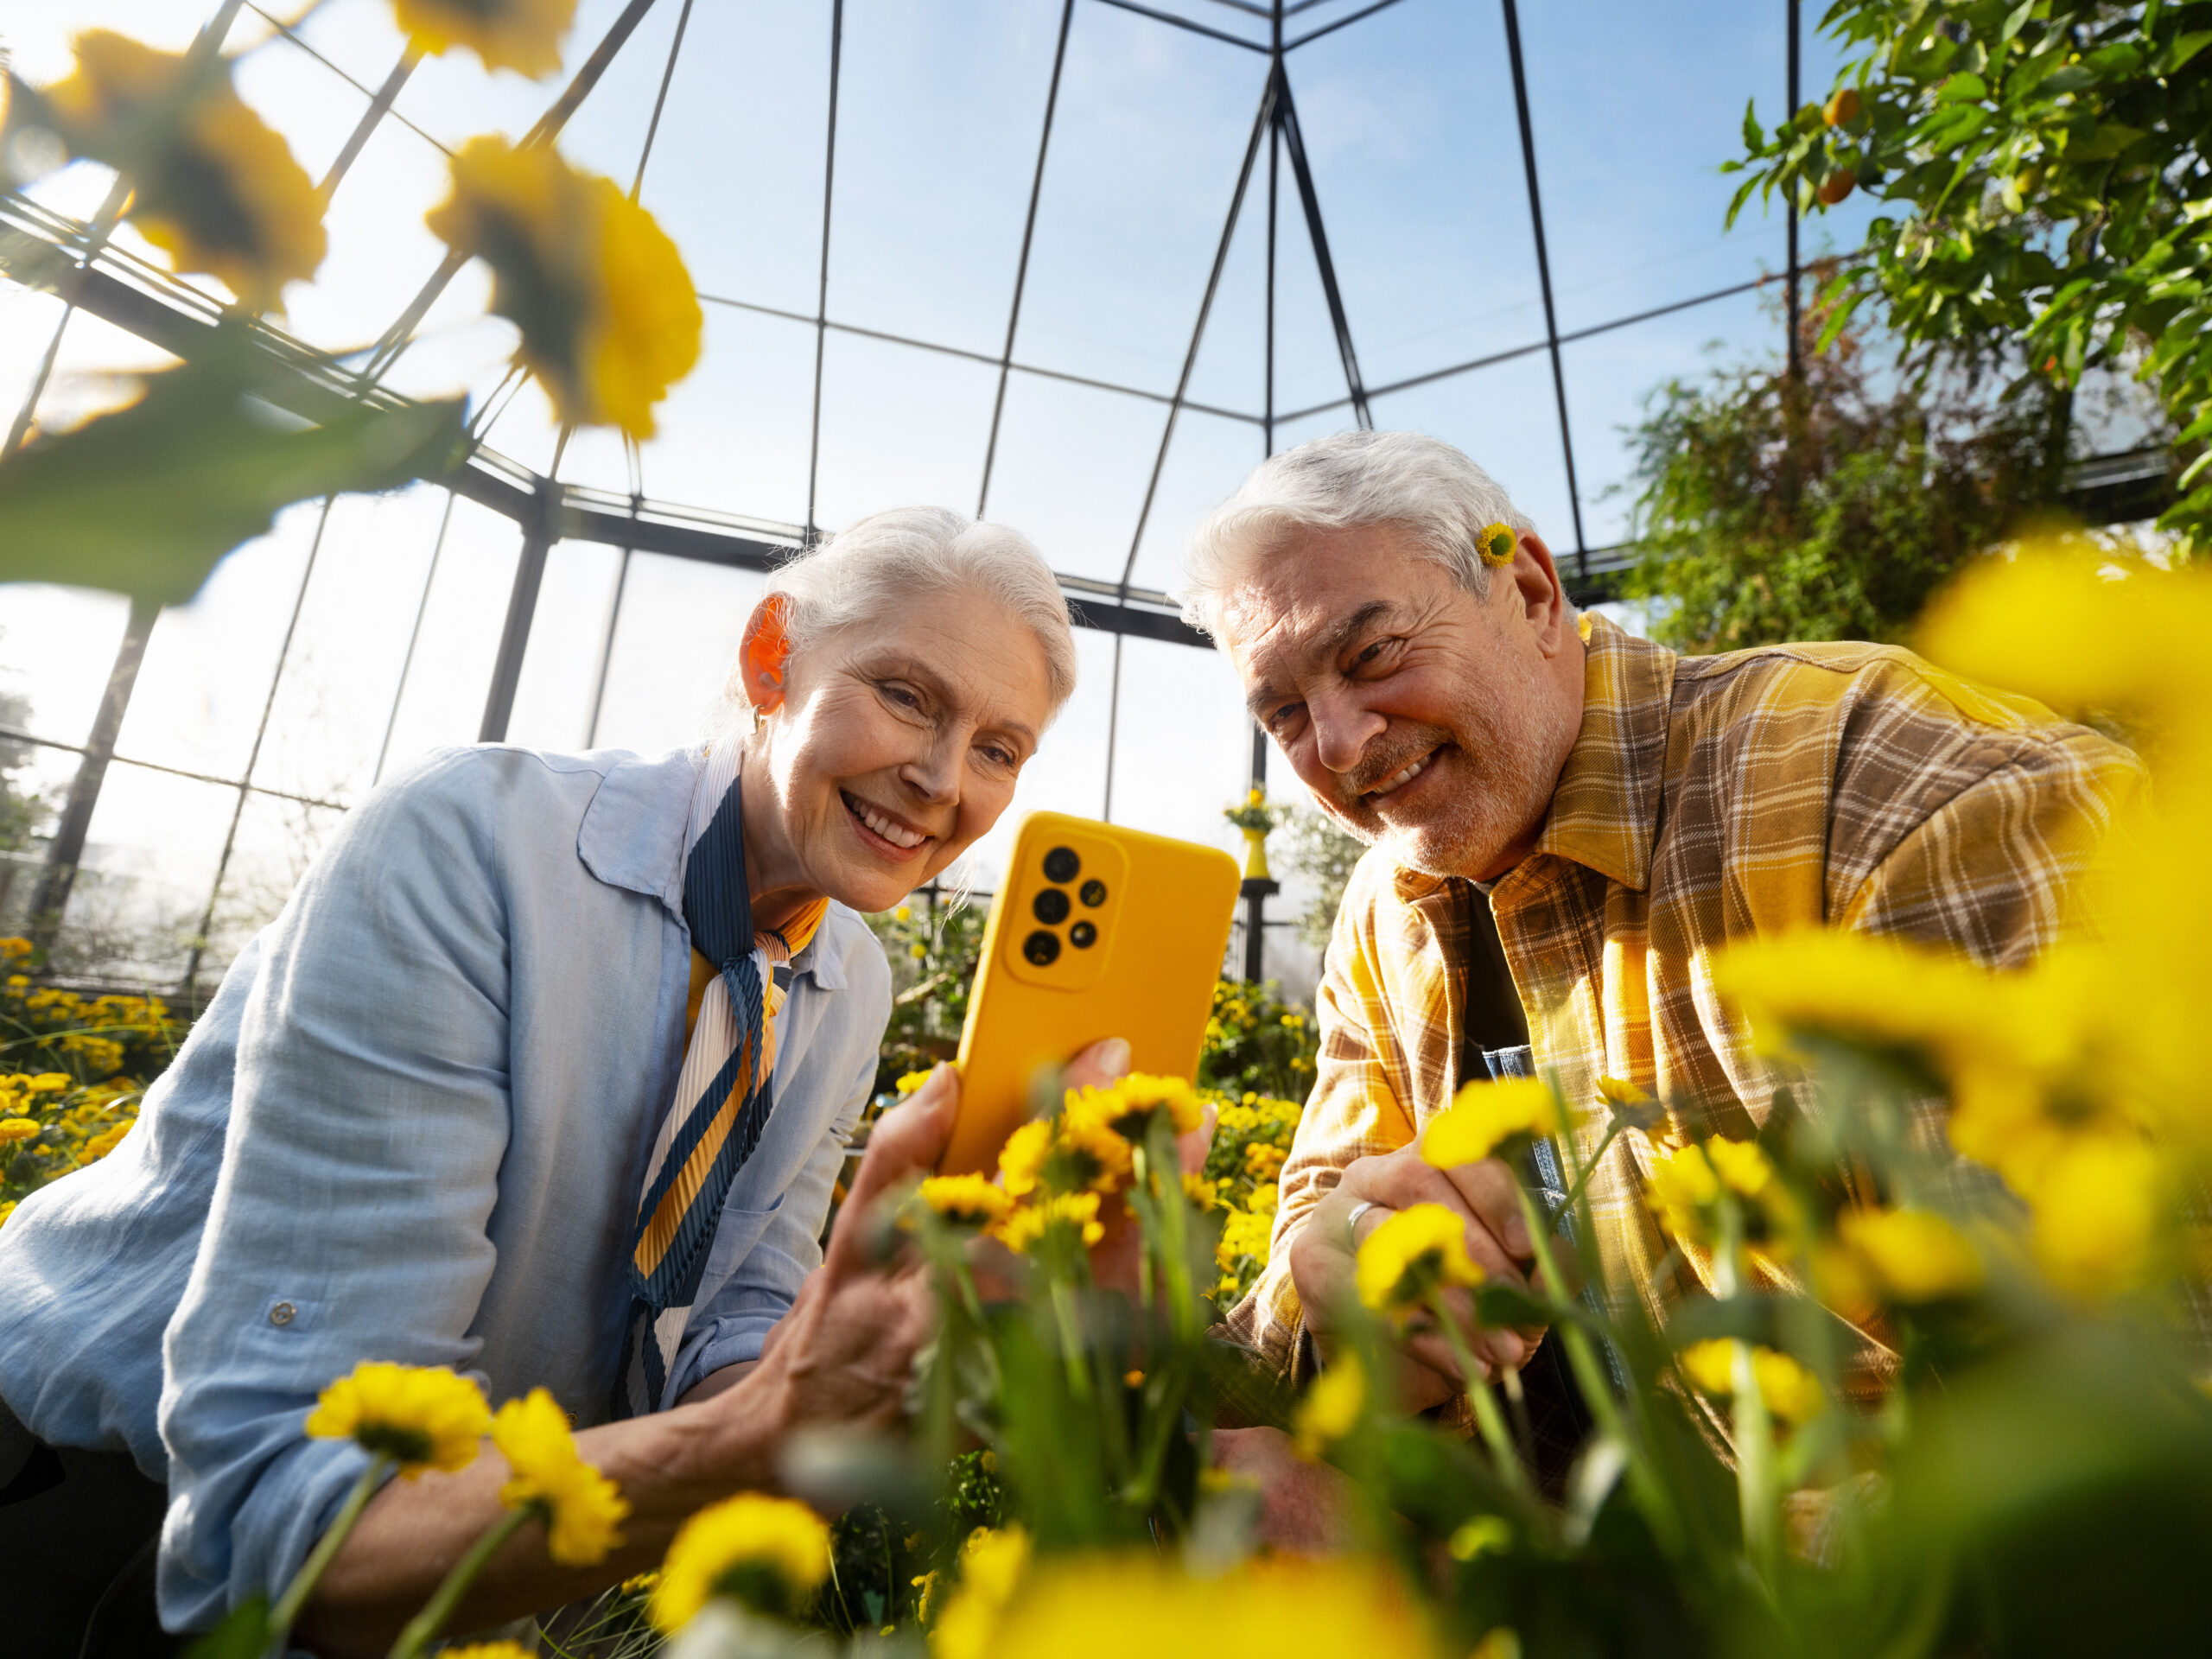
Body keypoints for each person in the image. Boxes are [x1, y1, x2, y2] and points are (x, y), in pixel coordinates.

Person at [0, 506, 1103, 1656]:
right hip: (92, 1497)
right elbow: (295, 1488)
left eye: (998, 750)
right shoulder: (474, 844)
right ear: (770, 655)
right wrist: (779, 1423)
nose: (938, 779)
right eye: (908, 695)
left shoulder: (849, 980)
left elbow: (735, 1312)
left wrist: (881, 1360)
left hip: (435, 1559)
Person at [1176, 430, 2138, 1420]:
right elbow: (1310, 1245)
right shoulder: (1387, 910)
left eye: (1372, 653)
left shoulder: (1882, 784)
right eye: (1285, 715)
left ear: (1533, 595)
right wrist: (1342, 1284)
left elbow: (2111, 1408)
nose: (1338, 744)